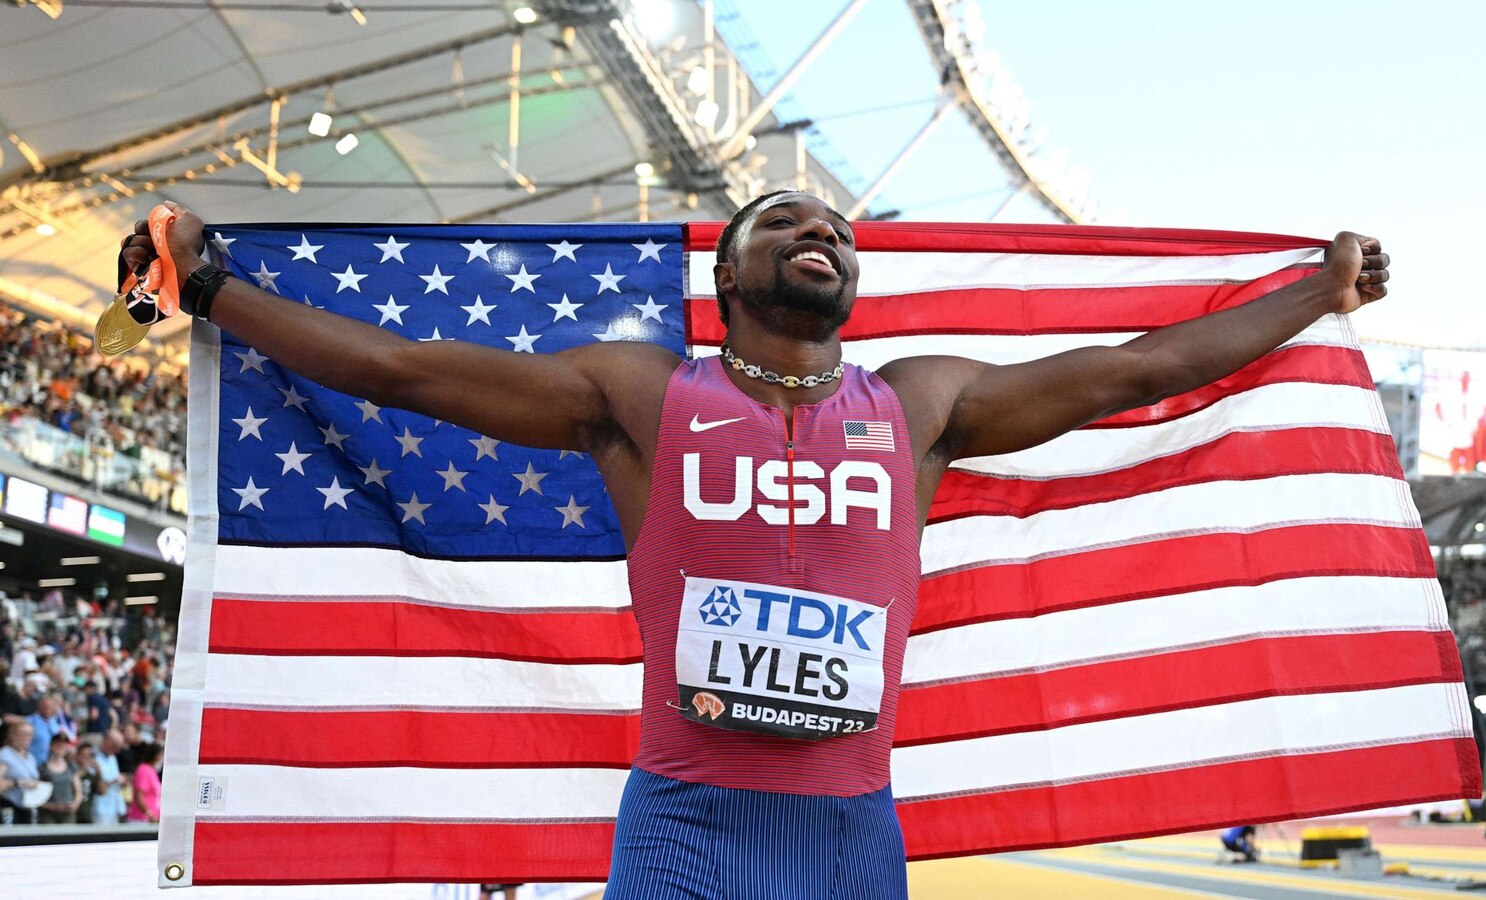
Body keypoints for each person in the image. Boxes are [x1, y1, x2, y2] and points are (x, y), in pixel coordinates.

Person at [120, 194, 1389, 899]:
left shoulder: (920, 406)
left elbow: (1141, 370)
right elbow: (405, 371)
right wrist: (215, 286)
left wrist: (1315, 295)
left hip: (852, 841)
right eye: (782, 221)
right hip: (685, 831)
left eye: (831, 226)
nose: (816, 231)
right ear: (728, 271)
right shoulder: (641, 395)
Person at [0, 720, 41, 824]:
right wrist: (19, 783)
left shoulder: (30, 757)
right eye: (21, 733)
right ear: (12, 735)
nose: (25, 737)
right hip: (10, 806)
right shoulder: (5, 755)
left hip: (28, 806)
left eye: (29, 734)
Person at [37, 733, 81, 825]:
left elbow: (78, 791)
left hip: (67, 811)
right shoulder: (42, 768)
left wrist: (75, 804)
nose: (61, 747)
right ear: (51, 746)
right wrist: (51, 806)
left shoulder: (71, 766)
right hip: (48, 813)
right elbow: (37, 793)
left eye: (64, 745)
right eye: (58, 744)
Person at [125, 741, 162, 824]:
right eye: (160, 755)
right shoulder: (143, 770)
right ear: (155, 755)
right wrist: (149, 814)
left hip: (151, 819)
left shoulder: (152, 770)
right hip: (140, 820)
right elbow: (139, 797)